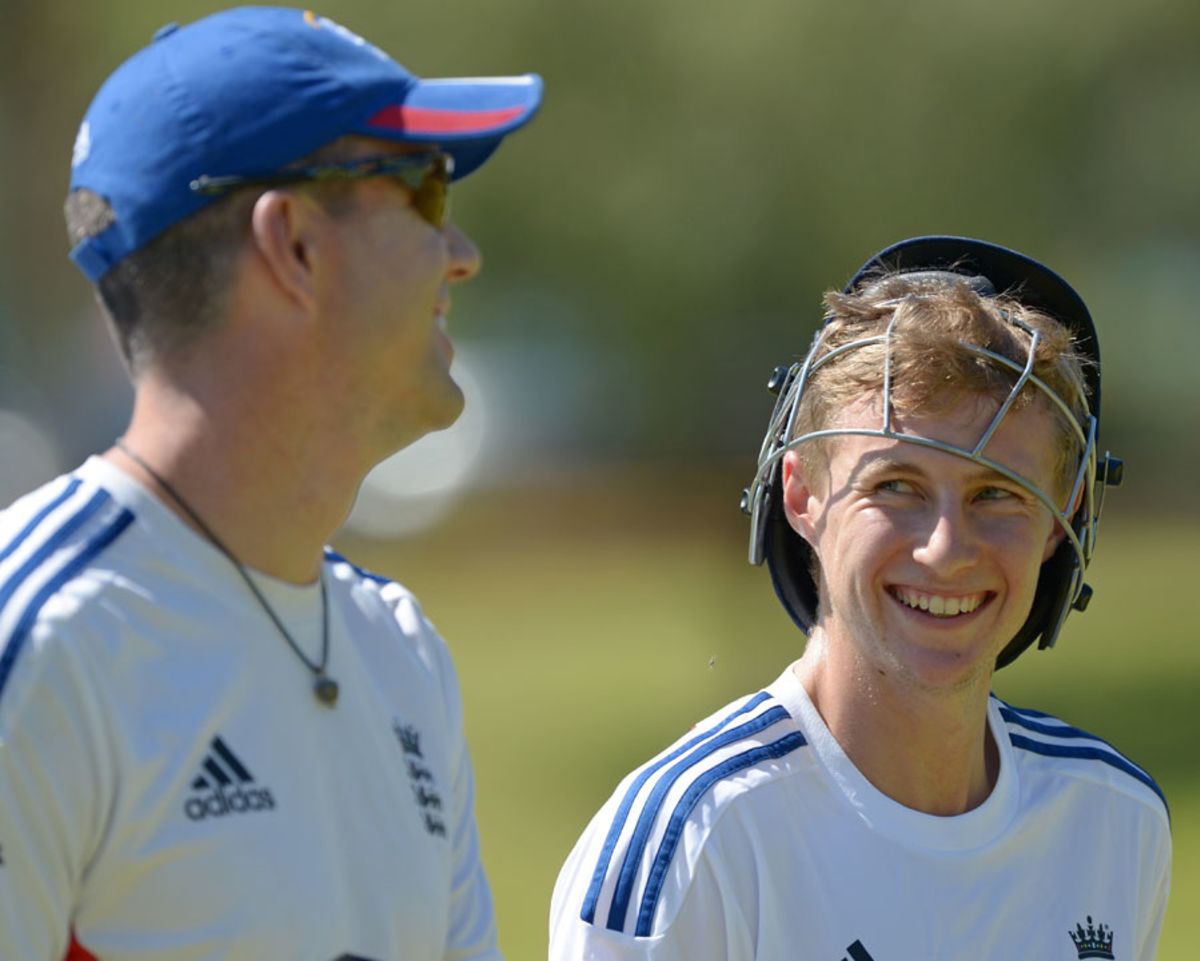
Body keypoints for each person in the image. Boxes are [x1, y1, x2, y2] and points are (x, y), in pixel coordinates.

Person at [0, 8, 541, 961]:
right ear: (292, 244)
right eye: (423, 187)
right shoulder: (41, 643)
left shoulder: (403, 652)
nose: (462, 252)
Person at [550, 237, 1171, 960]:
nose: (945, 548)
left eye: (997, 493)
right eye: (896, 486)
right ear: (801, 495)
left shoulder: (1113, 819)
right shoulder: (693, 843)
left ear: (1063, 517)